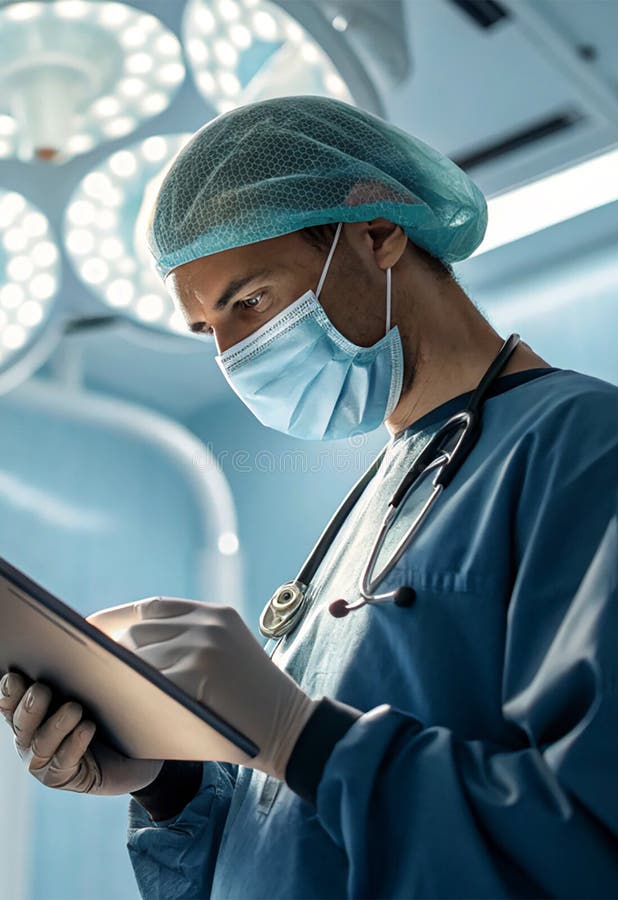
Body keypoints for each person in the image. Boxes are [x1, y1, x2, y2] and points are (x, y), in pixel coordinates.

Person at [1, 95, 617, 899]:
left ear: (376, 234)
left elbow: (585, 837)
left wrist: (297, 734)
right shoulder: (376, 505)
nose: (233, 354)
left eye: (248, 302)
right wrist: (167, 783)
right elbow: (290, 846)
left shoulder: (580, 447)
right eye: (207, 330)